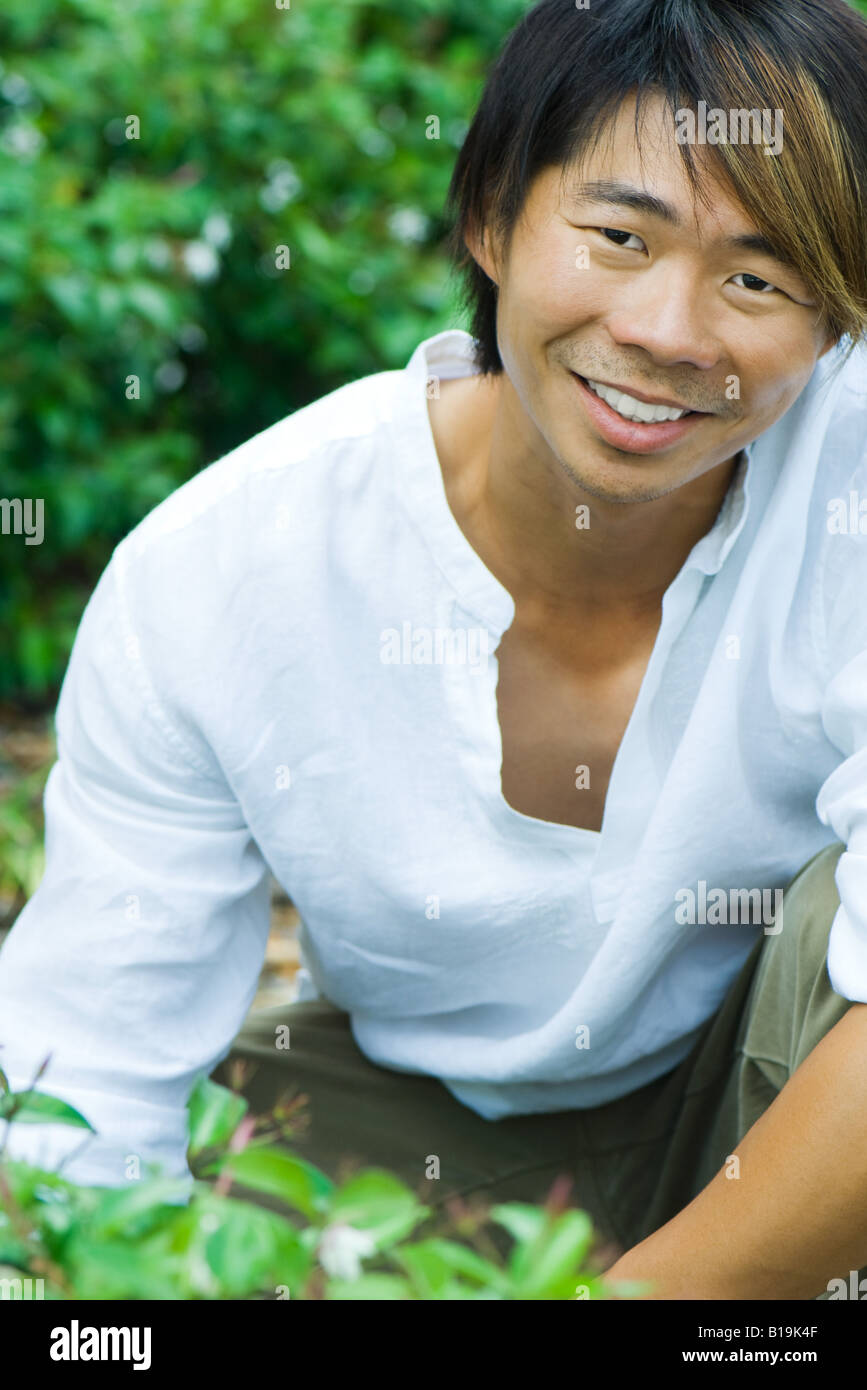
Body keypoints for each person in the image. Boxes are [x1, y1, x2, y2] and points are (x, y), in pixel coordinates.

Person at [2, 0, 867, 1300]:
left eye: (757, 278)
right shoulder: (226, 573)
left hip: (775, 1080)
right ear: (492, 216)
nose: (670, 331)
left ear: (836, 317)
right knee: (177, 1210)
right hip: (433, 1119)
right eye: (619, 236)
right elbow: (86, 1065)